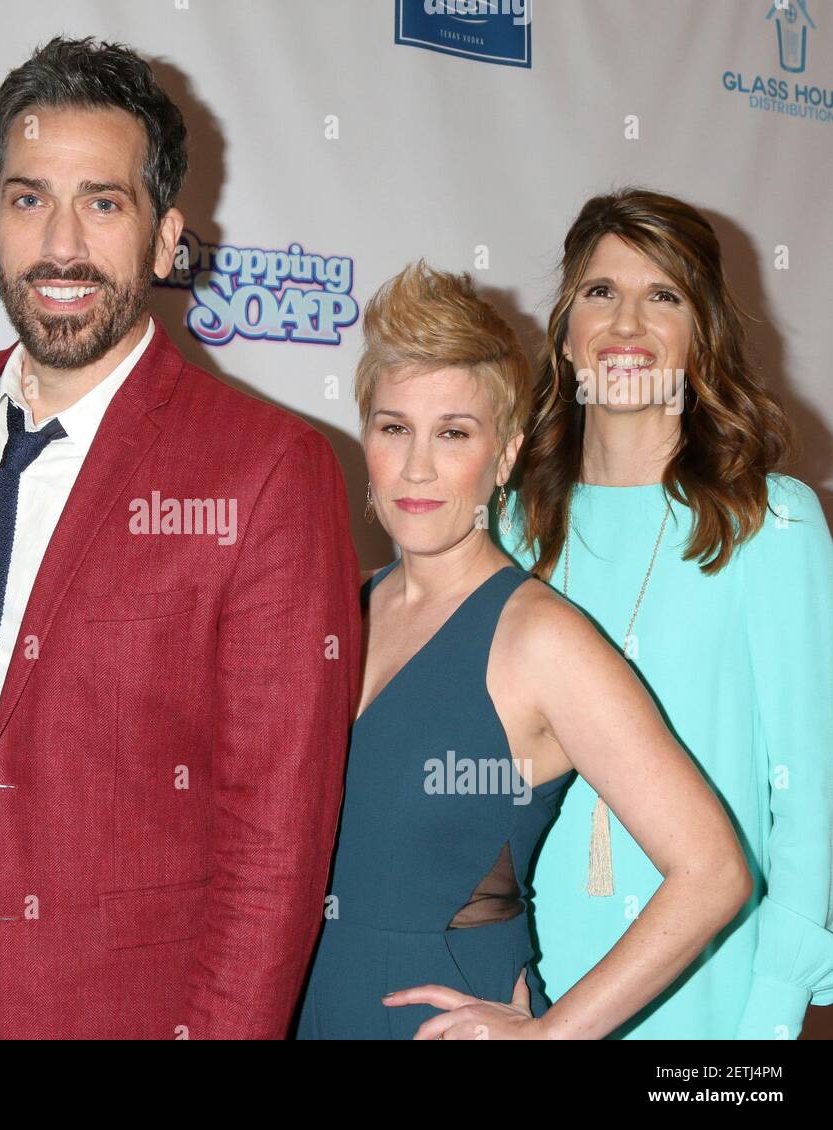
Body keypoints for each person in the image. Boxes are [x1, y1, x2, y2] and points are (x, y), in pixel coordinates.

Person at [0, 35, 361, 1040]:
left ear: (168, 237)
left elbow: (276, 844)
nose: (62, 245)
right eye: (29, 198)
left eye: (104, 202)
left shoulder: (265, 470)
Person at [295, 261, 752, 1040]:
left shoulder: (539, 638)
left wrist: (551, 1034)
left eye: (454, 434)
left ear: (504, 455)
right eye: (394, 427)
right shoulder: (339, 608)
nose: (416, 467)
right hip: (304, 1008)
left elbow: (714, 872)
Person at [499, 187, 833, 1038]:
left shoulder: (772, 521)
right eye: (601, 292)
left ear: (702, 334)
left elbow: (812, 798)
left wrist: (771, 1010)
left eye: (664, 296)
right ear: (567, 327)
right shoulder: (505, 525)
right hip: (528, 983)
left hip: (717, 988)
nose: (626, 324)